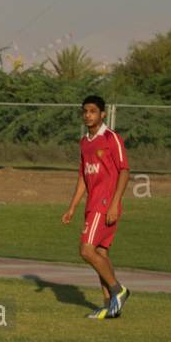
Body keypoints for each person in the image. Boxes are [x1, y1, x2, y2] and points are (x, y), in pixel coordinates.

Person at [62, 95, 130, 319]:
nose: (88, 115)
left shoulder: (112, 138)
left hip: (105, 204)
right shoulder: (84, 142)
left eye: (93, 111)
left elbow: (124, 171)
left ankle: (118, 290)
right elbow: (83, 176)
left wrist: (115, 202)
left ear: (102, 114)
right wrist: (72, 207)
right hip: (92, 204)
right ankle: (110, 306)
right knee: (100, 253)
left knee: (86, 250)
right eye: (85, 111)